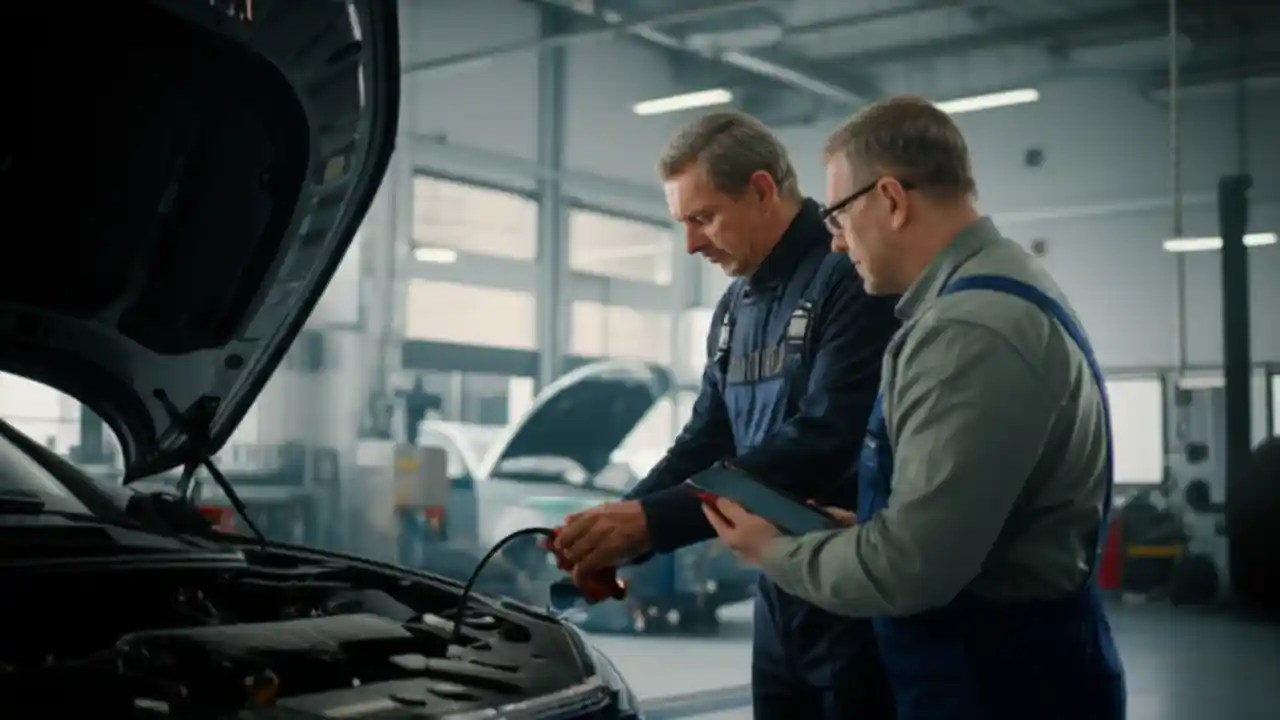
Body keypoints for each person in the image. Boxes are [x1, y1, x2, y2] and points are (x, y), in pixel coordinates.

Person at [702, 95, 1127, 720]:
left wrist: (773, 552)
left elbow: (911, 569)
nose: (839, 246)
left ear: (893, 200)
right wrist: (855, 530)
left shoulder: (970, 331)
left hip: (1001, 687)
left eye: (840, 218)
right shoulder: (996, 290)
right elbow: (968, 523)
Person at [552, 111, 900, 719]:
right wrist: (620, 526)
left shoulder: (850, 277)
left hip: (854, 601)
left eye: (703, 217)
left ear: (762, 190)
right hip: (778, 601)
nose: (690, 243)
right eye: (682, 222)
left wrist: (654, 521)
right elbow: (705, 439)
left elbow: (826, 439)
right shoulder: (734, 307)